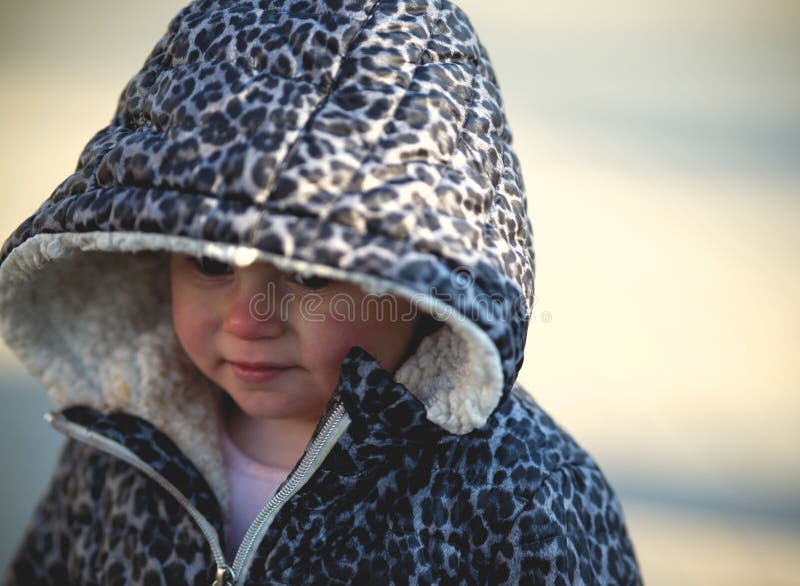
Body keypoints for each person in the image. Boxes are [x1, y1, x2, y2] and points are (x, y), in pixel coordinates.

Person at [0, 0, 642, 584]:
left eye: (309, 274)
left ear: (420, 283)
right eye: (210, 261)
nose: (248, 319)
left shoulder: (518, 493)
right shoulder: (124, 446)